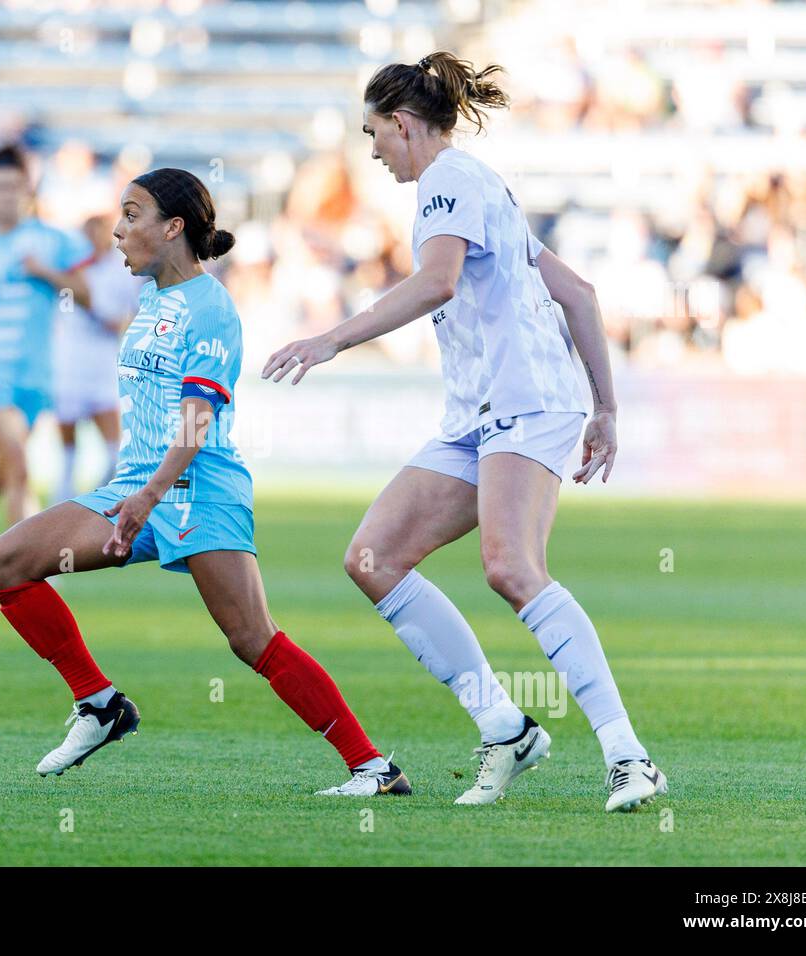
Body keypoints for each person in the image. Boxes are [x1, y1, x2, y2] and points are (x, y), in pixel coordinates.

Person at [263, 52, 667, 813]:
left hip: (525, 402)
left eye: (375, 132)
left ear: (406, 125)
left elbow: (438, 280)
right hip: (480, 414)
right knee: (374, 556)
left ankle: (628, 755)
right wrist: (607, 407)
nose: (374, 149)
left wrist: (332, 339)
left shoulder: (448, 181)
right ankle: (504, 727)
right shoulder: (485, 186)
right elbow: (576, 292)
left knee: (511, 568)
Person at [0, 167, 409, 796]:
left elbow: (197, 418)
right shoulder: (151, 299)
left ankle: (372, 767)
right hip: (134, 490)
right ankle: (99, 705)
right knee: (3, 563)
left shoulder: (211, 309)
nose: (119, 231)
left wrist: (149, 495)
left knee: (252, 640)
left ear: (173, 227)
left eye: (132, 215)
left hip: (197, 493)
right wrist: (138, 492)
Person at [0, 147, 93, 578]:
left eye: (13, 187)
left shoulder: (53, 241)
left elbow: (84, 294)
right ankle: (21, 572)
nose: (5, 195)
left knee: (2, 469)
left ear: (28, 191)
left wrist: (46, 273)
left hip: (33, 372)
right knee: (19, 462)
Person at [43, 214, 144, 502]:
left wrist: (120, 325)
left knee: (115, 450)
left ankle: (98, 500)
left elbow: (124, 314)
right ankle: (61, 510)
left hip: (103, 366)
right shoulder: (73, 270)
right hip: (69, 364)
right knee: (67, 451)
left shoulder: (122, 271)